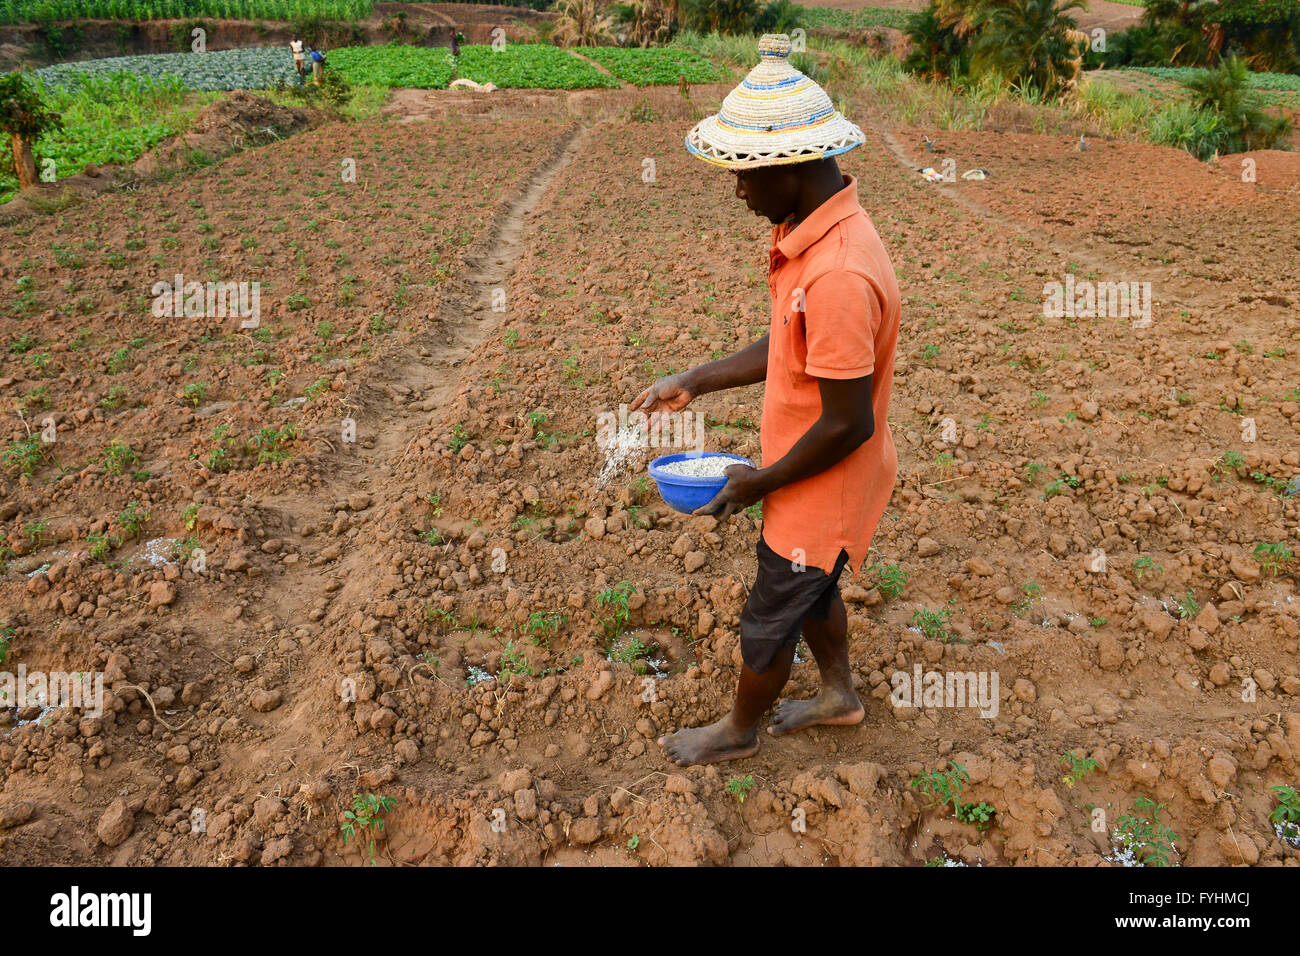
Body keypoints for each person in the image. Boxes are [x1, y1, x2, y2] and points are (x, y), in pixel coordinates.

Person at [630, 34, 900, 767]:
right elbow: (789, 348)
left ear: (795, 165)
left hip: (823, 480)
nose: (738, 188)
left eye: (747, 172)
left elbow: (849, 422)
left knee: (769, 616)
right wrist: (700, 378)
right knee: (814, 588)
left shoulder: (839, 273)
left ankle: (737, 731)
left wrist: (759, 484)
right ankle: (840, 696)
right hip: (807, 468)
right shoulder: (810, 236)